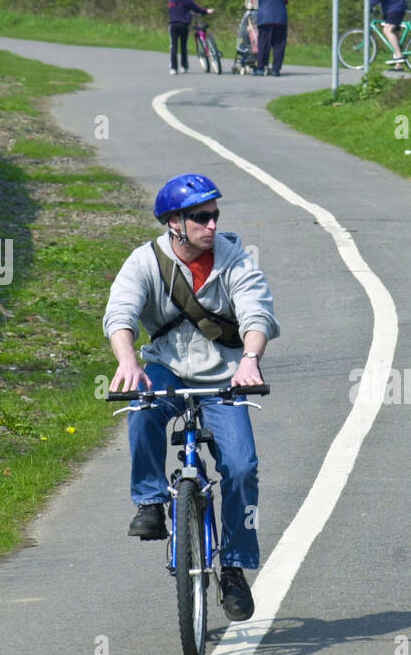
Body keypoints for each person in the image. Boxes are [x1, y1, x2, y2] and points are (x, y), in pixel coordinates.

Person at [103, 174, 279, 621]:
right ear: (173, 223)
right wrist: (128, 362)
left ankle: (235, 567)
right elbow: (120, 313)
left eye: (215, 216)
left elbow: (258, 312)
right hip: (165, 366)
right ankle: (149, 501)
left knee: (242, 466)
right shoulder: (144, 262)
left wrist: (250, 360)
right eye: (201, 217)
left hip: (224, 375)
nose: (212, 225)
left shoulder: (236, 260)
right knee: (141, 407)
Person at [359, 0, 405, 67]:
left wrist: (369, 4)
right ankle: (399, 65)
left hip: (395, 8)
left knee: (387, 30)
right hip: (392, 9)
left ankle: (399, 55)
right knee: (395, 34)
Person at [167, 0, 214, 75]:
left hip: (173, 25)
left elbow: (176, 10)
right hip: (183, 25)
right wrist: (206, 11)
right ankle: (184, 66)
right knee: (183, 46)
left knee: (173, 46)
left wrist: (188, 13)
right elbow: (196, 8)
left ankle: (173, 68)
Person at [253, 0, 289, 77]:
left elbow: (253, 3)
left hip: (264, 19)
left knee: (264, 44)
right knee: (279, 45)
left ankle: (260, 68)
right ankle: (276, 69)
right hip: (281, 19)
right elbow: (286, 1)